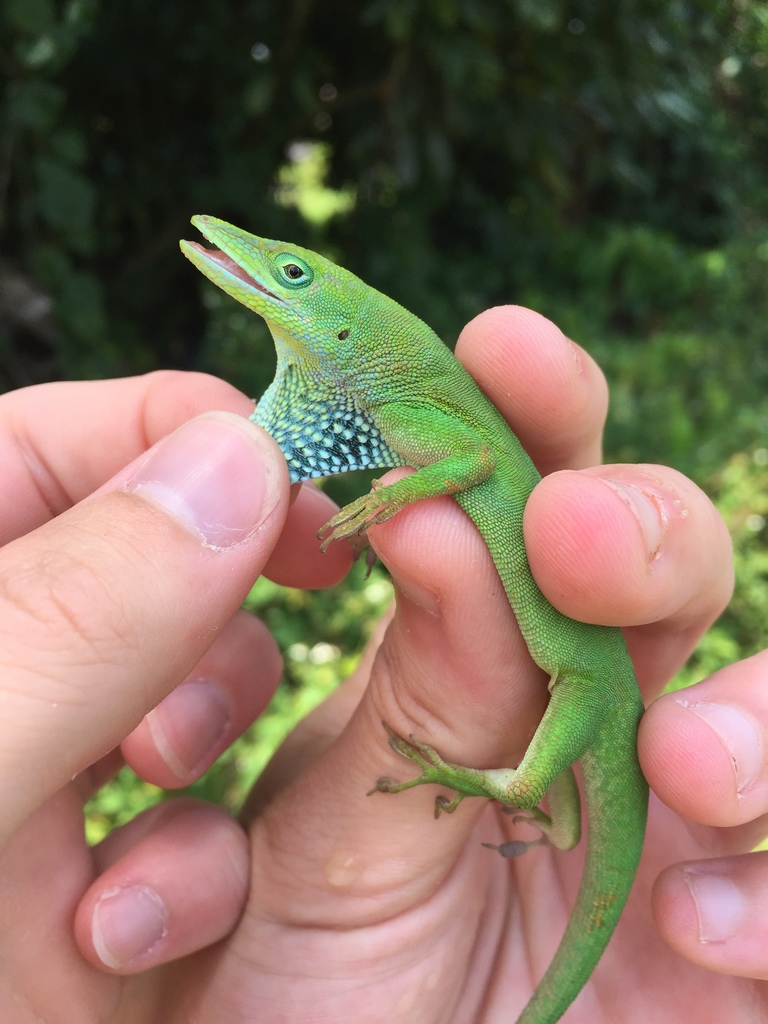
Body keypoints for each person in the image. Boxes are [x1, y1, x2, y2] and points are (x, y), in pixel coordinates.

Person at [0, 305, 763, 1023]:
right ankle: (540, 813)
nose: (281, 280)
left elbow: (468, 459)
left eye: (297, 277)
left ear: (342, 330)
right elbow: (466, 456)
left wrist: (386, 502)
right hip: (566, 700)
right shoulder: (399, 402)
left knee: (540, 791)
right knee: (563, 827)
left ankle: (501, 789)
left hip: (588, 680)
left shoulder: (411, 405)